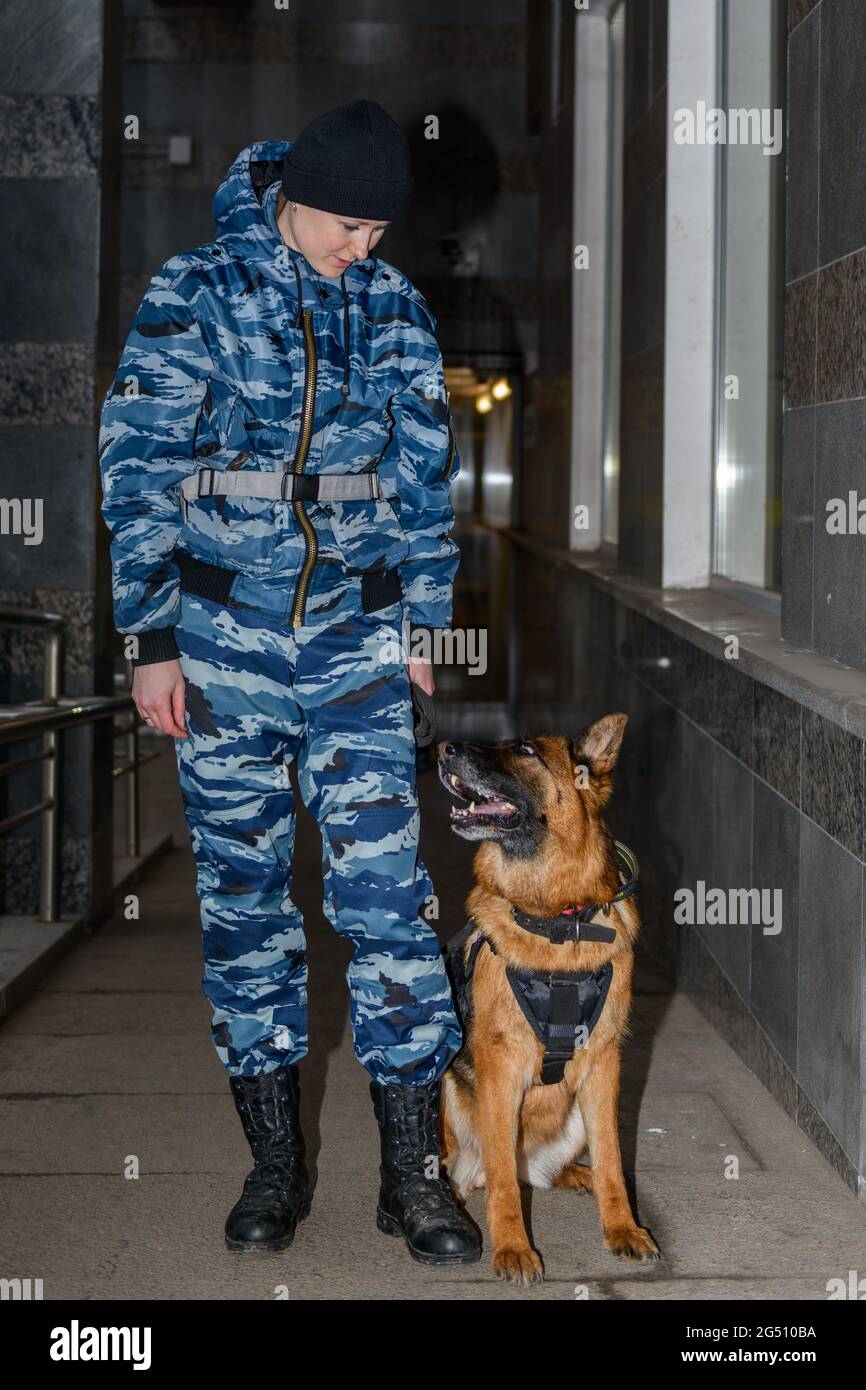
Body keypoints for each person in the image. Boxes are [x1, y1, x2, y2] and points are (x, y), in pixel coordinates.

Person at [98, 100, 481, 1266]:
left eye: (378, 230)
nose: (359, 248)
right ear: (299, 190)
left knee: (388, 901)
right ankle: (275, 1164)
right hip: (219, 636)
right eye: (348, 224)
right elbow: (136, 466)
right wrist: (148, 637)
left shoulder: (396, 308)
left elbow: (425, 484)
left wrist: (424, 623)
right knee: (245, 899)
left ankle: (411, 1181)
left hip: (357, 643)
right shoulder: (197, 288)